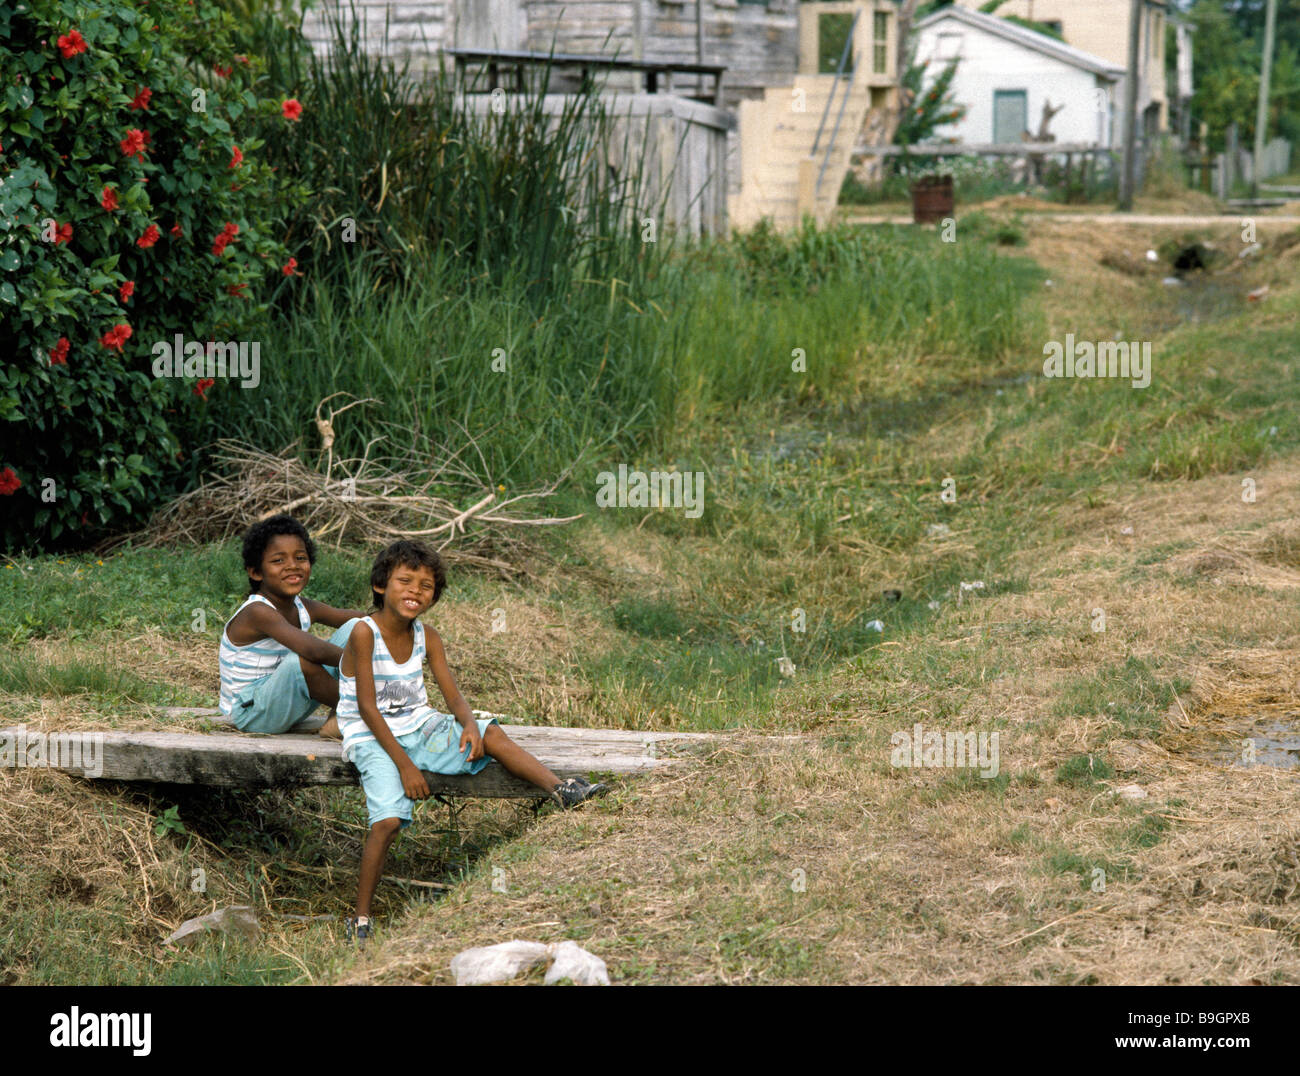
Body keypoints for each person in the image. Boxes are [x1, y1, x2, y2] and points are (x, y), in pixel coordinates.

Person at [339, 539, 605, 947]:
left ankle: (562, 790)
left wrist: (467, 725)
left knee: (490, 731)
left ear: (434, 597)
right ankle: (360, 918)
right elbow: (369, 710)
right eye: (404, 581)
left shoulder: (428, 635)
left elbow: (454, 696)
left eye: (426, 586)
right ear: (380, 585)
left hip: (419, 725)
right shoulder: (363, 633)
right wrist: (407, 767)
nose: (415, 591)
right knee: (389, 820)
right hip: (370, 735)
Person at [218, 515, 365, 736]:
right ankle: (366, 709)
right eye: (278, 561)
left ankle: (344, 715)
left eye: (300, 557)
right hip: (249, 715)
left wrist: (395, 621)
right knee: (300, 662)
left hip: (284, 705)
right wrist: (366, 664)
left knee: (358, 626)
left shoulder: (303, 607)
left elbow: (363, 619)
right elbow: (313, 650)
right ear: (256, 572)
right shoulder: (256, 612)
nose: (292, 566)